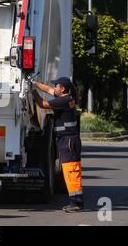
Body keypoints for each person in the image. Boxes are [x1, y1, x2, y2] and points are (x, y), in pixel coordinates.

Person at [30, 76, 84, 213]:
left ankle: (76, 202)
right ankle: (76, 201)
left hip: (68, 141)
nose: (54, 88)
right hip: (68, 140)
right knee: (70, 171)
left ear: (63, 89)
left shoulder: (64, 100)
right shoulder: (67, 97)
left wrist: (32, 92)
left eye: (57, 86)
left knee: (71, 171)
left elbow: (43, 104)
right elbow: (48, 89)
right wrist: (35, 83)